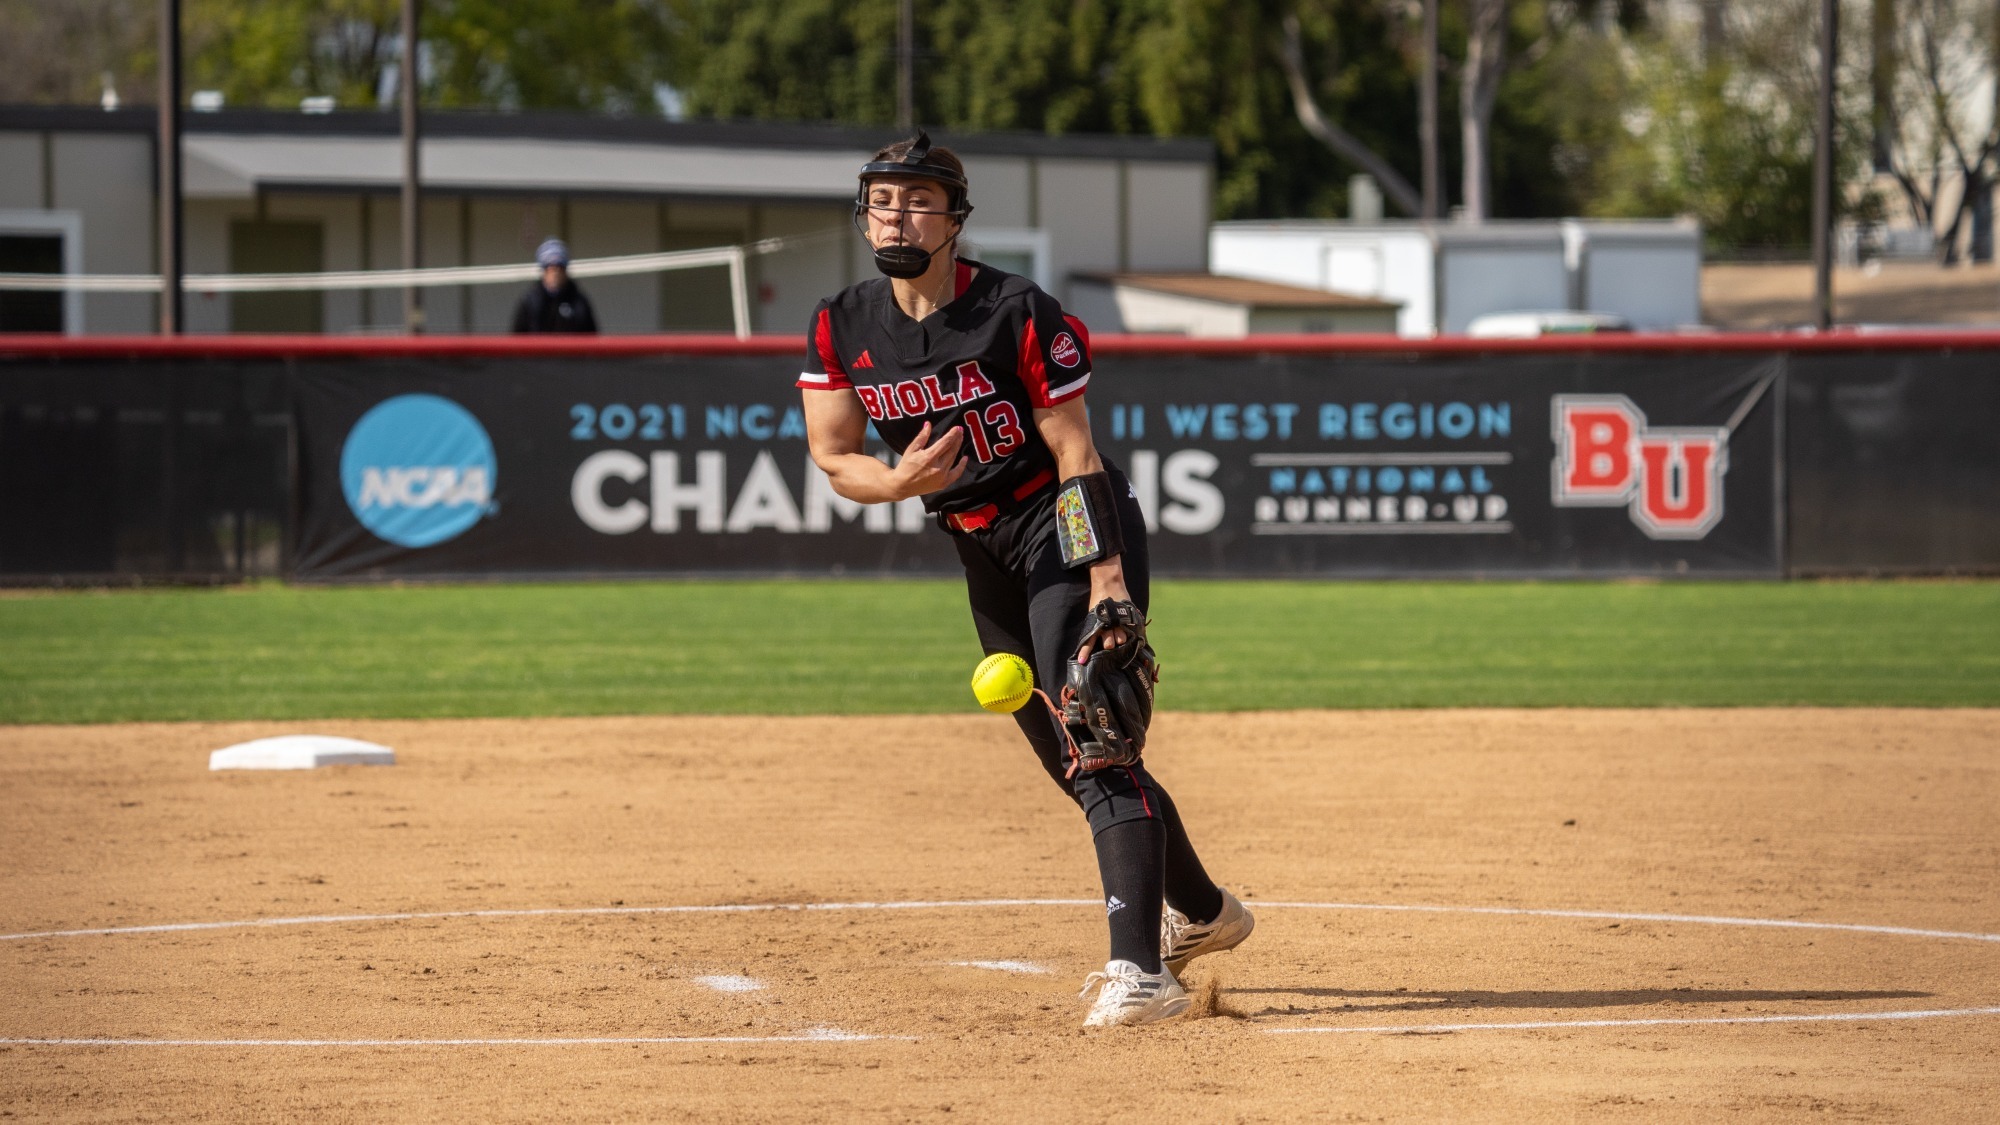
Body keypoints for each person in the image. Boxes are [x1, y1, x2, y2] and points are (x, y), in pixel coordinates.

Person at [798, 133, 1254, 1028]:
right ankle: (1203, 910)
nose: (899, 214)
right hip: (979, 546)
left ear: (955, 219)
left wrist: (1107, 580)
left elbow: (1075, 452)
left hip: (1065, 522)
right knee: (1070, 750)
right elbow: (833, 455)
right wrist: (894, 484)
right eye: (884, 200)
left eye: (920, 200)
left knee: (1094, 731)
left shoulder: (1014, 308)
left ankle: (1140, 974)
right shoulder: (841, 322)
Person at [511, 238, 598, 333]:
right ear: (543, 270)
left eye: (560, 266)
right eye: (550, 267)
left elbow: (591, 335)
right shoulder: (530, 301)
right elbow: (517, 337)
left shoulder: (578, 301)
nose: (555, 272)